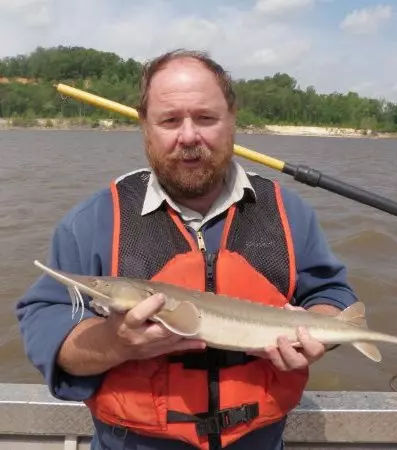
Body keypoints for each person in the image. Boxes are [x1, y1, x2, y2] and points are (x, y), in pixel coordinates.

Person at [16, 49, 358, 450]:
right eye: (170, 120)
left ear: (233, 120)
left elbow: (331, 294)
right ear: (145, 127)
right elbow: (44, 324)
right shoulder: (92, 220)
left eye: (206, 118)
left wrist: (319, 333)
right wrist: (115, 342)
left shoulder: (288, 212)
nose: (190, 136)